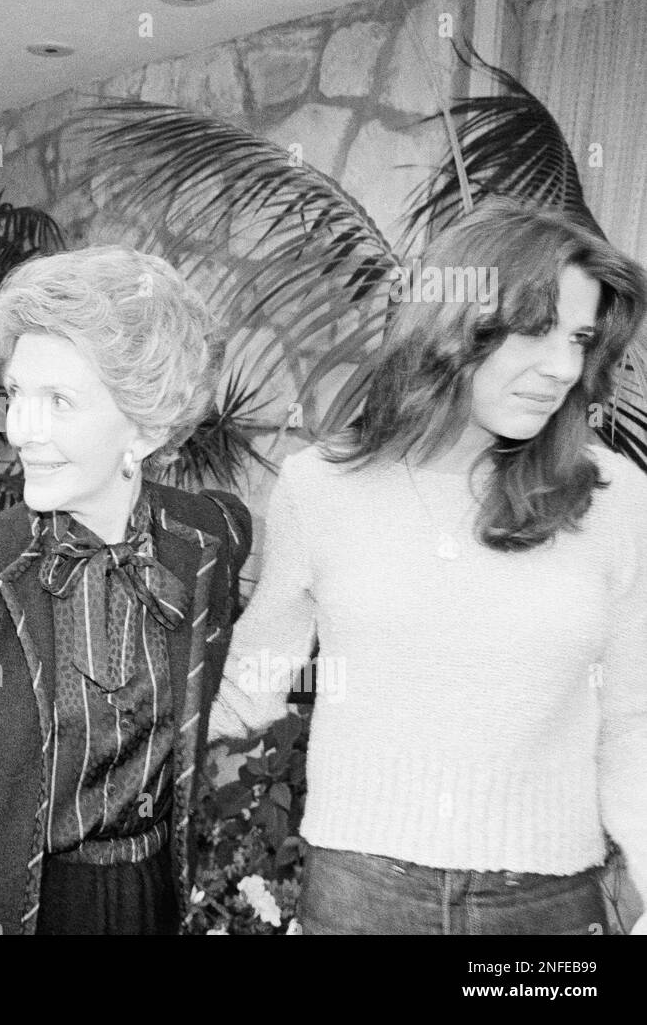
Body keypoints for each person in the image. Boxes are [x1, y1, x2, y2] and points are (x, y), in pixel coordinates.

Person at [210, 200, 647, 935]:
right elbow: (255, 679)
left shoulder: (617, 500)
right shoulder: (320, 486)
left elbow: (635, 715)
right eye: (536, 331)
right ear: (452, 324)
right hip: (360, 896)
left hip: (547, 910)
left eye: (578, 338)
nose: (564, 367)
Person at [0, 245, 251, 935]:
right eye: (16, 395)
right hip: (22, 909)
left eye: (59, 401)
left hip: (155, 901)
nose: (19, 430)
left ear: (148, 425)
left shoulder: (204, 544)